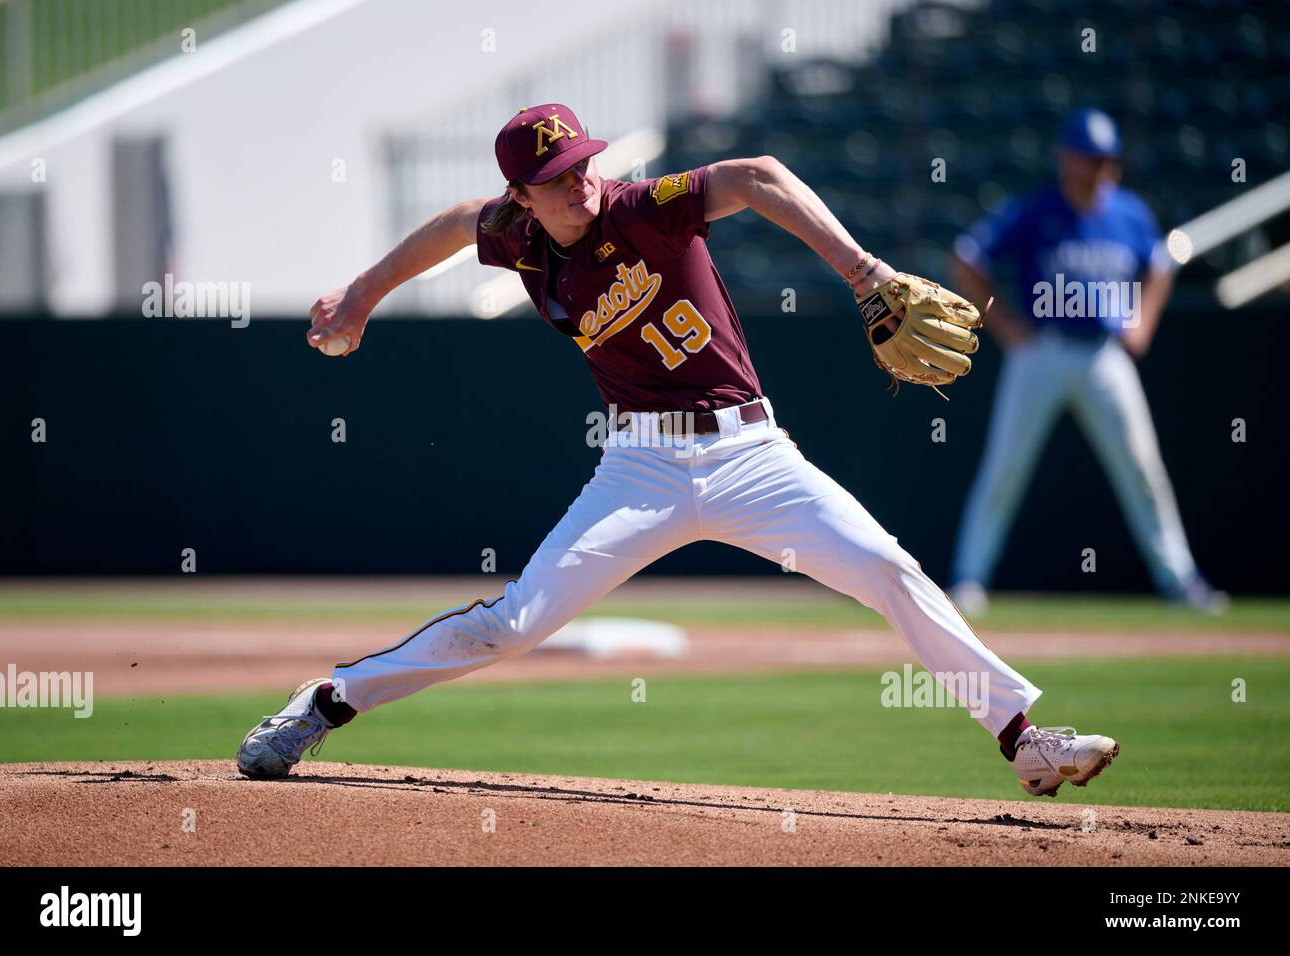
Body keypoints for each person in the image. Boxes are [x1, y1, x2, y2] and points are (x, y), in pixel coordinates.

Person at [237, 103, 1119, 798]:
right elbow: (450, 224)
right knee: (512, 625)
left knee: (887, 570)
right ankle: (324, 702)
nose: (579, 181)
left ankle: (1024, 740)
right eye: (555, 175)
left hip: (752, 455)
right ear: (524, 197)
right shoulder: (515, 237)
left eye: (581, 161)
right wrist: (359, 298)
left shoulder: (643, 206)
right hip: (638, 469)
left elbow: (759, 175)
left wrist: (867, 274)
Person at [948, 108, 1227, 618]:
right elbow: (967, 257)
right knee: (1005, 467)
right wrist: (1006, 325)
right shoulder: (1036, 210)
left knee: (1143, 469)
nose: (1094, 169)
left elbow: (1162, 264)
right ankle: (970, 578)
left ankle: (1181, 580)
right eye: (1085, 158)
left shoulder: (1129, 213)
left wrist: (1142, 322)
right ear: (1064, 159)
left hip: (1104, 355)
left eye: (1102, 159)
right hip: (1042, 351)